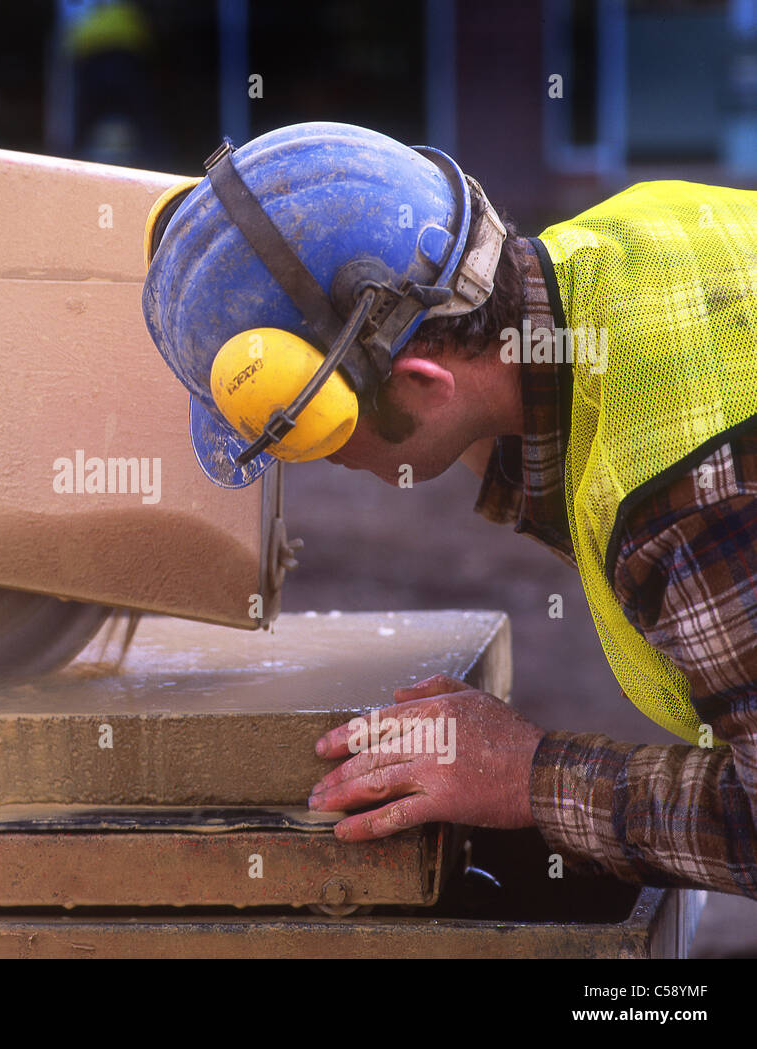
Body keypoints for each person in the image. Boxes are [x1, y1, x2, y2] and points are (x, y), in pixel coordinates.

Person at [141, 121, 757, 899]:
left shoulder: (687, 495)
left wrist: (524, 772)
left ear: (427, 386)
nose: (325, 461)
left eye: (314, 433)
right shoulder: (625, 251)